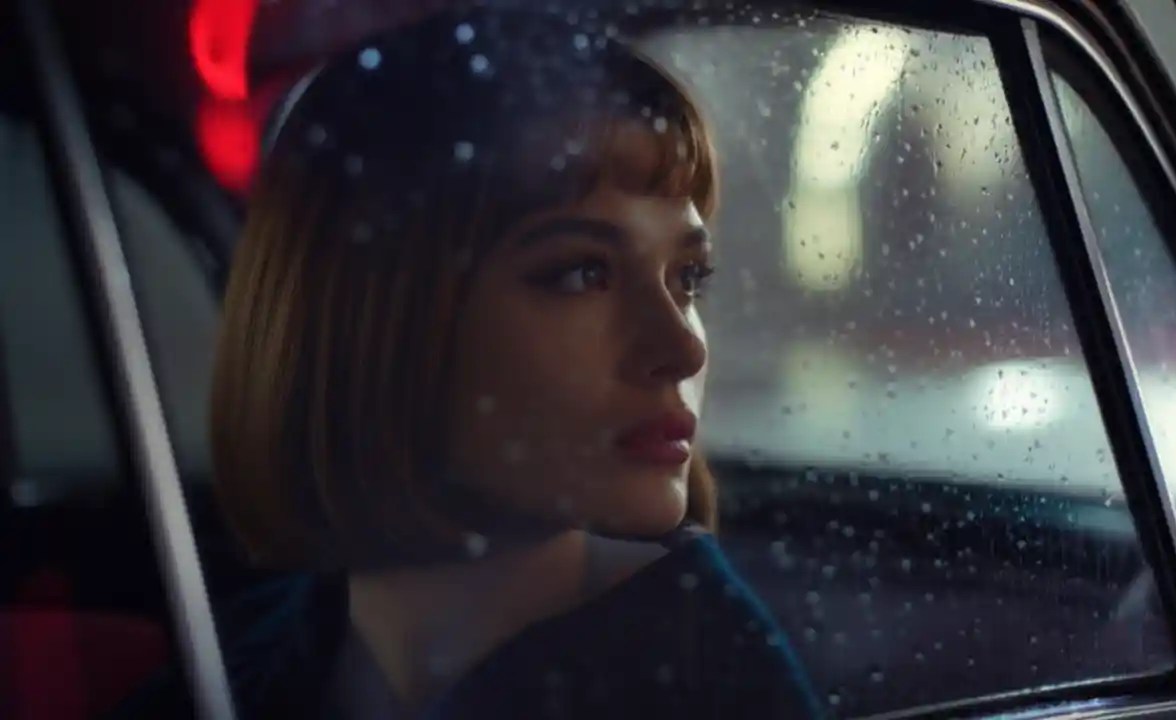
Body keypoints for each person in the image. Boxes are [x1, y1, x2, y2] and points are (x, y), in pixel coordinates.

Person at [120, 7, 823, 719]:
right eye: (581, 274)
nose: (683, 348)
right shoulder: (225, 664)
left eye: (688, 280)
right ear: (374, 322)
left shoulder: (711, 676)